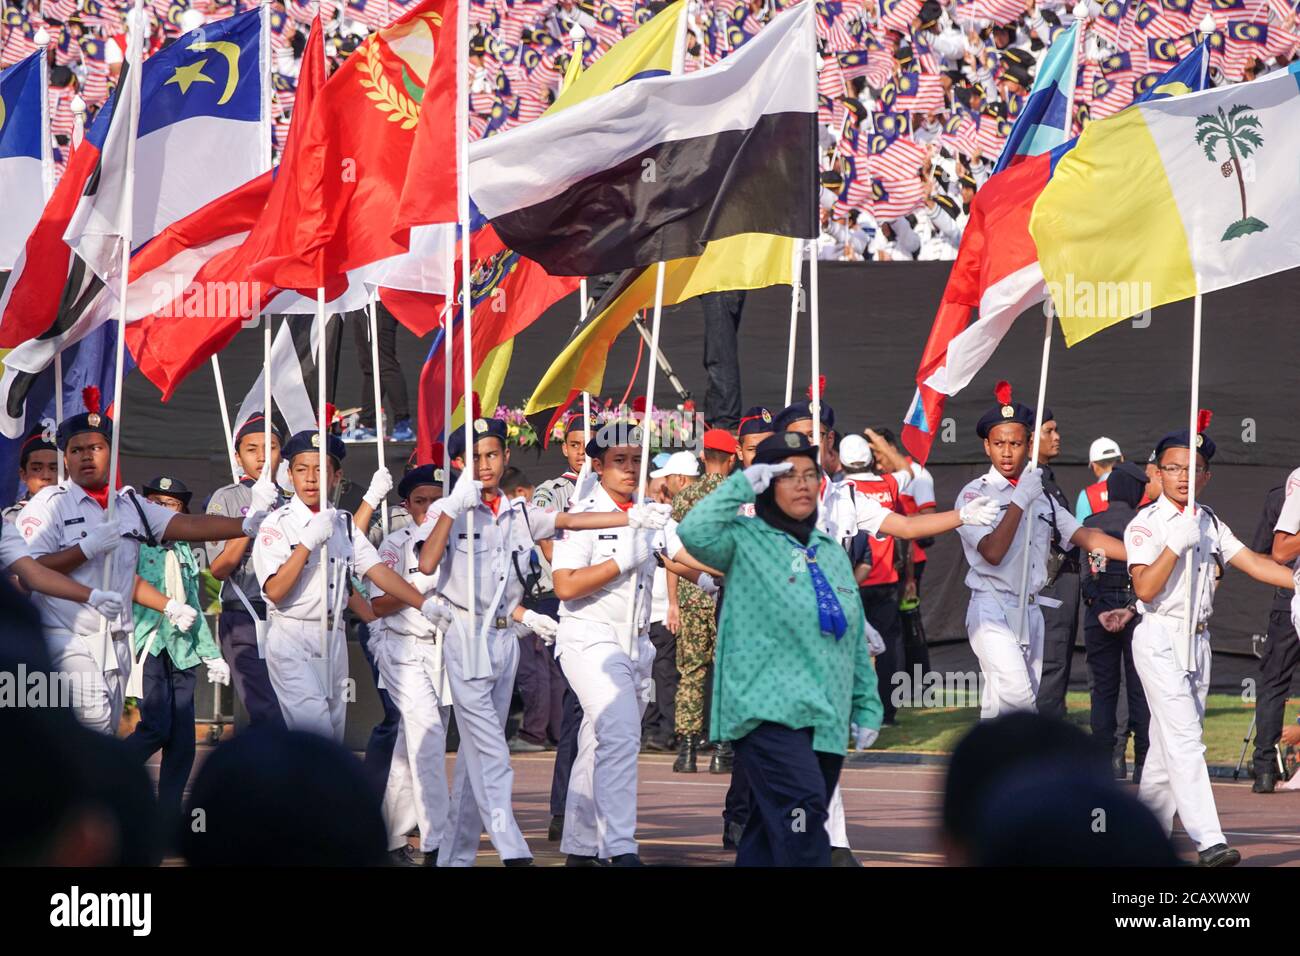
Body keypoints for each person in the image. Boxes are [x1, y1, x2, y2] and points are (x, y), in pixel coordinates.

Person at [418, 417, 668, 867]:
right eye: (474, 458)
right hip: (465, 638)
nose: (485, 465)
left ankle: (452, 857)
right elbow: (427, 564)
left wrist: (628, 516)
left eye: (492, 455)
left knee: (478, 755)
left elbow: (570, 518)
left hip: (504, 638)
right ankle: (513, 849)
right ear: (457, 463)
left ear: (506, 457)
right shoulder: (447, 512)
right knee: (494, 751)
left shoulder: (517, 512)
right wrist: (452, 507)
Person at [675, 432, 884, 865]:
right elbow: (692, 531)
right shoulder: (744, 540)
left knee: (770, 833)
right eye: (788, 476)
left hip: (825, 714)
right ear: (766, 485)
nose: (804, 484)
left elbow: (850, 629)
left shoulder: (829, 551)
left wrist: (867, 704)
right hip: (767, 711)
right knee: (803, 815)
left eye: (810, 474)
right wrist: (740, 484)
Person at [18, 388, 268, 735]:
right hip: (67, 633)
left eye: (96, 448)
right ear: (66, 458)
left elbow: (187, 525)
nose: (86, 457)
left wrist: (245, 523)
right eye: (76, 450)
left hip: (117, 637)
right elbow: (31, 570)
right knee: (89, 719)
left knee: (104, 728)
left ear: (112, 452)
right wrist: (85, 549)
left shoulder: (130, 505)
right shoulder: (50, 504)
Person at [1125, 414, 1296, 866]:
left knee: (1165, 752)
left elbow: (1255, 564)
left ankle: (1143, 839)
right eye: (1174, 468)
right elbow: (1144, 589)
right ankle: (1210, 841)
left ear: (1207, 476)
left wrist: (1298, 580)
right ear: (1157, 472)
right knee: (1185, 741)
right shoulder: (1146, 524)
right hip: (1160, 634)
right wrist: (1174, 545)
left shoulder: (1209, 521)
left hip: (1197, 640)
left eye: (1192, 469)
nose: (1184, 477)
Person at [955, 381, 1127, 721]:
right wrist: (1019, 500)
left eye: (1016, 444)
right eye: (999, 443)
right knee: (1020, 702)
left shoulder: (1042, 494)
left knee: (1002, 709)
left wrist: (1143, 553)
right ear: (987, 446)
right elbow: (992, 552)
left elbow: (1084, 536)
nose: (1007, 452)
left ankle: (991, 773)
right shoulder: (976, 494)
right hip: (993, 608)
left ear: (1028, 445)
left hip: (1031, 611)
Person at [252, 429, 432, 743]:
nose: (310, 478)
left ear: (337, 476)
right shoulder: (277, 524)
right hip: (292, 635)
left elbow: (378, 572)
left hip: (332, 637)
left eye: (320, 469)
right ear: (289, 475)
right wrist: (307, 543)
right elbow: (276, 591)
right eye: (301, 469)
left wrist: (424, 603)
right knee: (315, 733)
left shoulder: (343, 524)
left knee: (331, 738)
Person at [548, 421, 670, 865]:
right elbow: (564, 585)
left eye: (638, 460)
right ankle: (620, 847)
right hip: (591, 639)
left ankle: (580, 847)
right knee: (620, 737)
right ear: (597, 465)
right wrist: (623, 560)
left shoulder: (651, 510)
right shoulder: (582, 515)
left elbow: (679, 553)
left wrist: (709, 577)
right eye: (620, 461)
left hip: (636, 643)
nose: (631, 469)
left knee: (598, 743)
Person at [124, 475, 229, 827]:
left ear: (182, 511)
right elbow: (129, 588)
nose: (162, 509)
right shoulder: (134, 543)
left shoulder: (184, 549)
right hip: (149, 642)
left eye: (170, 504)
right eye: (154, 502)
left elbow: (194, 605)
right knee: (156, 726)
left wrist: (211, 653)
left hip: (182, 650)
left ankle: (167, 820)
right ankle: (102, 772)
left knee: (183, 741)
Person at [371, 463, 451, 866]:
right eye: (420, 501)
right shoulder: (395, 544)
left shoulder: (458, 540)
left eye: (437, 500)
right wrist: (415, 585)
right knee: (429, 734)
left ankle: (387, 836)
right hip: (402, 647)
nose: (429, 508)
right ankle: (438, 838)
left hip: (445, 651)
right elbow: (378, 604)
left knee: (410, 746)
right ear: (406, 505)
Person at [535, 409, 598, 845]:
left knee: (600, 717)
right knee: (574, 711)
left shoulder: (607, 490)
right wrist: (576, 571)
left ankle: (595, 811)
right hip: (562, 599)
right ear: (564, 447)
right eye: (574, 444)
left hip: (607, 606)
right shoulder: (552, 492)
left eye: (587, 446)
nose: (581, 453)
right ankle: (562, 809)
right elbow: (545, 541)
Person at [205, 415, 287, 729]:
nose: (263, 456)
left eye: (272, 447)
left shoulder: (292, 501)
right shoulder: (226, 498)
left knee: (293, 709)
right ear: (238, 457)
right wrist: (252, 518)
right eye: (252, 449)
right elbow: (219, 568)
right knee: (266, 710)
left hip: (287, 617)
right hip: (245, 615)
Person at [1080, 462, 1151, 784]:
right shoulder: (1145, 524)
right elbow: (1149, 574)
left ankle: (1106, 761)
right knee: (1140, 688)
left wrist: (1098, 608)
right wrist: (1132, 609)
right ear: (1136, 491)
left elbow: (1090, 572)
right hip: (1137, 614)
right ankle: (1144, 762)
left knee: (1103, 690)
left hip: (1100, 611)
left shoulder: (1092, 524)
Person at [838, 433, 907, 726]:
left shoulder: (839, 489)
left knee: (844, 648)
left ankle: (848, 710)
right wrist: (879, 442)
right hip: (884, 579)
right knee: (887, 647)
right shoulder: (888, 485)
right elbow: (907, 470)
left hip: (847, 581)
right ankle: (887, 712)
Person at [1033, 410, 1082, 721]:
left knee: (1058, 656)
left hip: (1064, 580)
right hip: (1048, 583)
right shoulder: (1033, 482)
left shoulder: (1048, 479)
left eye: (1056, 429)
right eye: (1048, 430)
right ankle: (1043, 727)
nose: (1056, 436)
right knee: (1050, 658)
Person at [1256, 469, 1300, 792]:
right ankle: (1265, 768)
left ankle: (1267, 769)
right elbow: (1272, 552)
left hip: (1289, 599)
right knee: (1274, 683)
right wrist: (1290, 583)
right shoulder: (1286, 493)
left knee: (1273, 683)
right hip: (1291, 600)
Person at [350, 301, 413, 441]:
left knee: (384, 361)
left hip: (379, 299)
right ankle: (368, 424)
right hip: (360, 301)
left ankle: (403, 424)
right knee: (370, 367)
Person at [2, 425, 58, 524]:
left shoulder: (81, 510)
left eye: (53, 469)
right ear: (23, 474)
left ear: (65, 472)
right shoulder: (11, 519)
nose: (46, 476)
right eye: (37, 469)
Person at [1075, 437, 1124, 521]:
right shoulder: (1140, 487)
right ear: (1122, 459)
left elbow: (1081, 531)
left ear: (1094, 466)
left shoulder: (1087, 495)